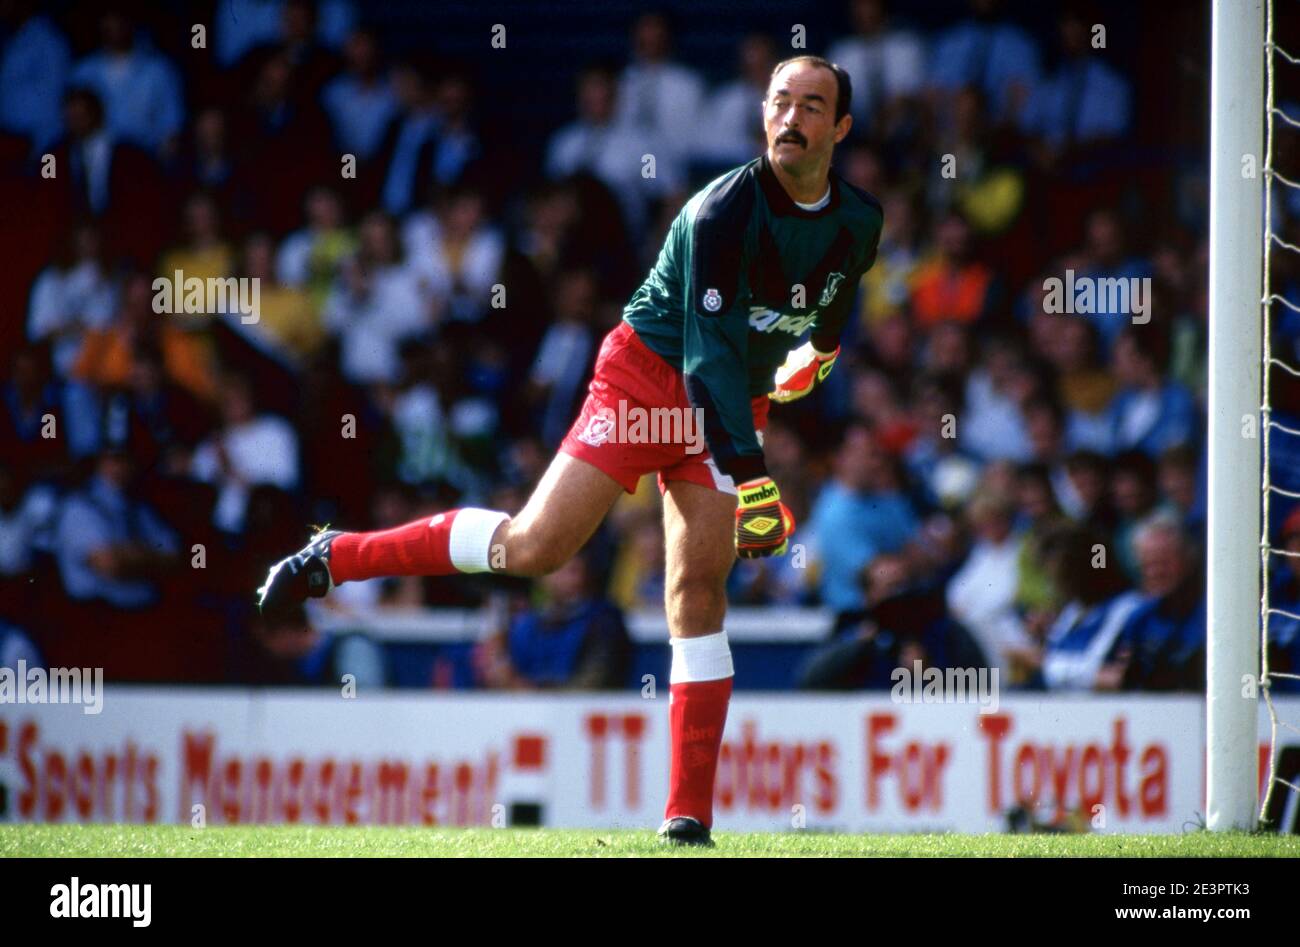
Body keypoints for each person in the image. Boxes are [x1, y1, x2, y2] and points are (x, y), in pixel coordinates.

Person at [258, 55, 883, 846]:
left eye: (813, 106)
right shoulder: (722, 210)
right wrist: (757, 480)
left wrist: (819, 354)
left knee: (697, 591)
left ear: (841, 127)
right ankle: (338, 554)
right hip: (652, 381)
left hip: (728, 401)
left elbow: (831, 298)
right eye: (780, 102)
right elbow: (708, 360)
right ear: (762, 114)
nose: (792, 119)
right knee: (534, 547)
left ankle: (687, 814)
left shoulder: (861, 219)